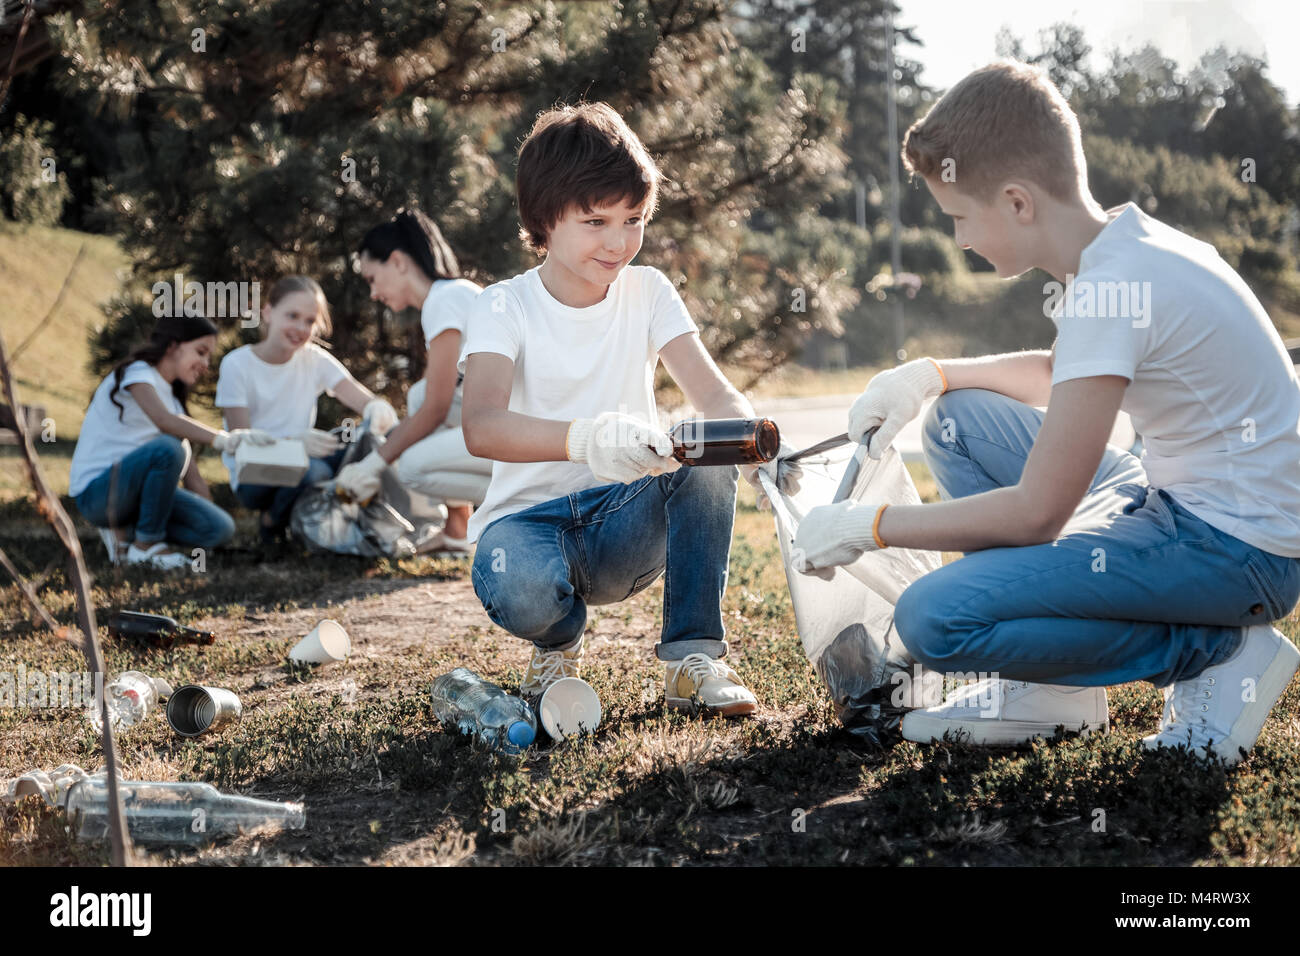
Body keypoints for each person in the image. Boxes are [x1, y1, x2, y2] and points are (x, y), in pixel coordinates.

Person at [791, 61, 1300, 767]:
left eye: (961, 217)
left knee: (932, 618)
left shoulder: (1110, 287)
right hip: (1178, 501)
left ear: (1018, 201)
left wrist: (866, 527)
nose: (962, 239)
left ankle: (1215, 650)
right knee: (958, 419)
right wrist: (931, 375)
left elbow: (1038, 514)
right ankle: (1048, 690)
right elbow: (1064, 374)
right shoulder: (1127, 251)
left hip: (1236, 552)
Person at [456, 101, 795, 716]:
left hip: (625, 523)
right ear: (543, 221)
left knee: (702, 446)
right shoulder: (502, 306)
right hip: (526, 530)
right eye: (595, 221)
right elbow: (481, 426)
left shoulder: (648, 290)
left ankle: (695, 662)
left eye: (633, 218)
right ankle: (558, 643)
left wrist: (755, 448)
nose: (619, 242)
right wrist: (586, 439)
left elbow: (714, 394)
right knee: (525, 586)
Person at [340, 210, 493, 557]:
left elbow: (437, 410)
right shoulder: (451, 295)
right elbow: (431, 399)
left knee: (412, 467)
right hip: (511, 422)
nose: (374, 293)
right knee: (418, 393)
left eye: (372, 278)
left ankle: (527, 501)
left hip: (521, 436)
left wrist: (372, 464)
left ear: (397, 261)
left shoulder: (444, 300)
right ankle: (457, 530)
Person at [70, 314, 265, 570]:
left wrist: (205, 522)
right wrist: (224, 440)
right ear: (173, 345)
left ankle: (131, 536)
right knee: (169, 448)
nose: (205, 364)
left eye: (209, 356)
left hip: (134, 495)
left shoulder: (173, 403)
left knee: (220, 527)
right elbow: (163, 421)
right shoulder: (137, 372)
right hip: (97, 496)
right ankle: (147, 546)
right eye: (201, 352)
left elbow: (191, 475)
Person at [215, 275, 399, 544]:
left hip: (305, 458)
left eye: (310, 321)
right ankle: (271, 522)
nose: (301, 328)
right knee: (315, 472)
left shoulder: (313, 358)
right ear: (268, 313)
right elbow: (240, 440)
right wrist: (292, 443)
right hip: (253, 475)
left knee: (363, 440)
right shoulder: (237, 364)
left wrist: (376, 407)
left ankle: (364, 526)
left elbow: (359, 397)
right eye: (292, 316)